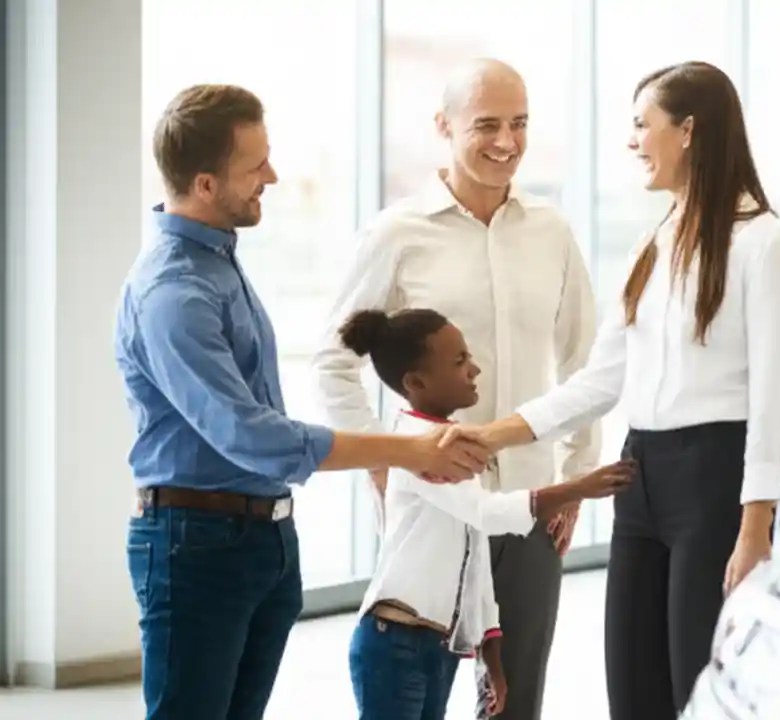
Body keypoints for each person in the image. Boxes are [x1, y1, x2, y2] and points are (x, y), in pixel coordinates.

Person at [114, 84, 490, 720]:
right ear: (205, 184)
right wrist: (406, 449)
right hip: (196, 547)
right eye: (254, 166)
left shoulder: (219, 265)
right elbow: (250, 435)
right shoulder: (174, 293)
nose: (273, 176)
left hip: (256, 539)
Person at [448, 61, 780, 719]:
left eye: (643, 125)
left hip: (714, 481)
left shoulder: (765, 243)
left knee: (695, 687)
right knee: (632, 688)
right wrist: (490, 434)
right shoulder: (658, 239)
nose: (633, 140)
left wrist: (756, 526)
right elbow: (600, 379)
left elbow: (774, 400)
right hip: (640, 477)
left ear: (689, 131)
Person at [312, 58, 599, 720]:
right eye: (487, 125)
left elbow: (585, 359)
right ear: (443, 127)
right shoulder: (398, 233)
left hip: (527, 505)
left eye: (520, 124)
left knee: (515, 698)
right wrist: (385, 458)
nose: (507, 142)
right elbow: (334, 358)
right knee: (419, 695)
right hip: (434, 515)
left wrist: (579, 473)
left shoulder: (551, 230)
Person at [337, 308, 635, 720]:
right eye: (459, 362)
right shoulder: (417, 446)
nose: (475, 369)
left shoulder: (444, 440)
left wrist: (493, 664)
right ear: (416, 383)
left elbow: (475, 565)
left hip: (436, 646)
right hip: (394, 644)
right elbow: (488, 515)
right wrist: (579, 487)